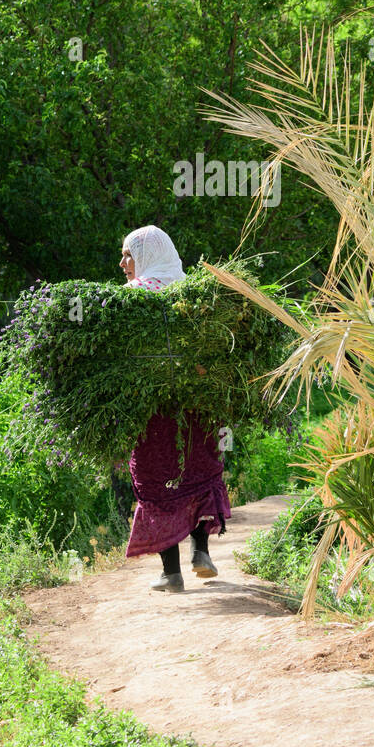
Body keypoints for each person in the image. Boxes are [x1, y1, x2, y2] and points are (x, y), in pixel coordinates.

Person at [119, 225, 231, 593]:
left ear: (146, 256)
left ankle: (171, 573)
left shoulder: (132, 298)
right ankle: (201, 552)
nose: (123, 264)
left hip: (154, 413)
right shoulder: (195, 294)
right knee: (199, 473)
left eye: (128, 255)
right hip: (197, 408)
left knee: (155, 481)